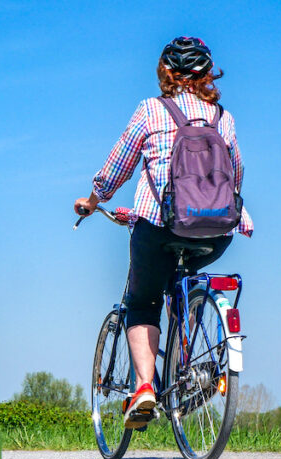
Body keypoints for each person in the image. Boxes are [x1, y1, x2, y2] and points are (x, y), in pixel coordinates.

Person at [73, 36, 253, 429]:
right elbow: (236, 175)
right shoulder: (224, 117)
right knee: (182, 279)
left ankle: (144, 389)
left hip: (159, 224)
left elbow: (116, 167)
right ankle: (187, 350)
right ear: (207, 74)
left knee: (142, 302)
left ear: (165, 72)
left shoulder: (152, 110)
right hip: (217, 230)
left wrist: (92, 199)